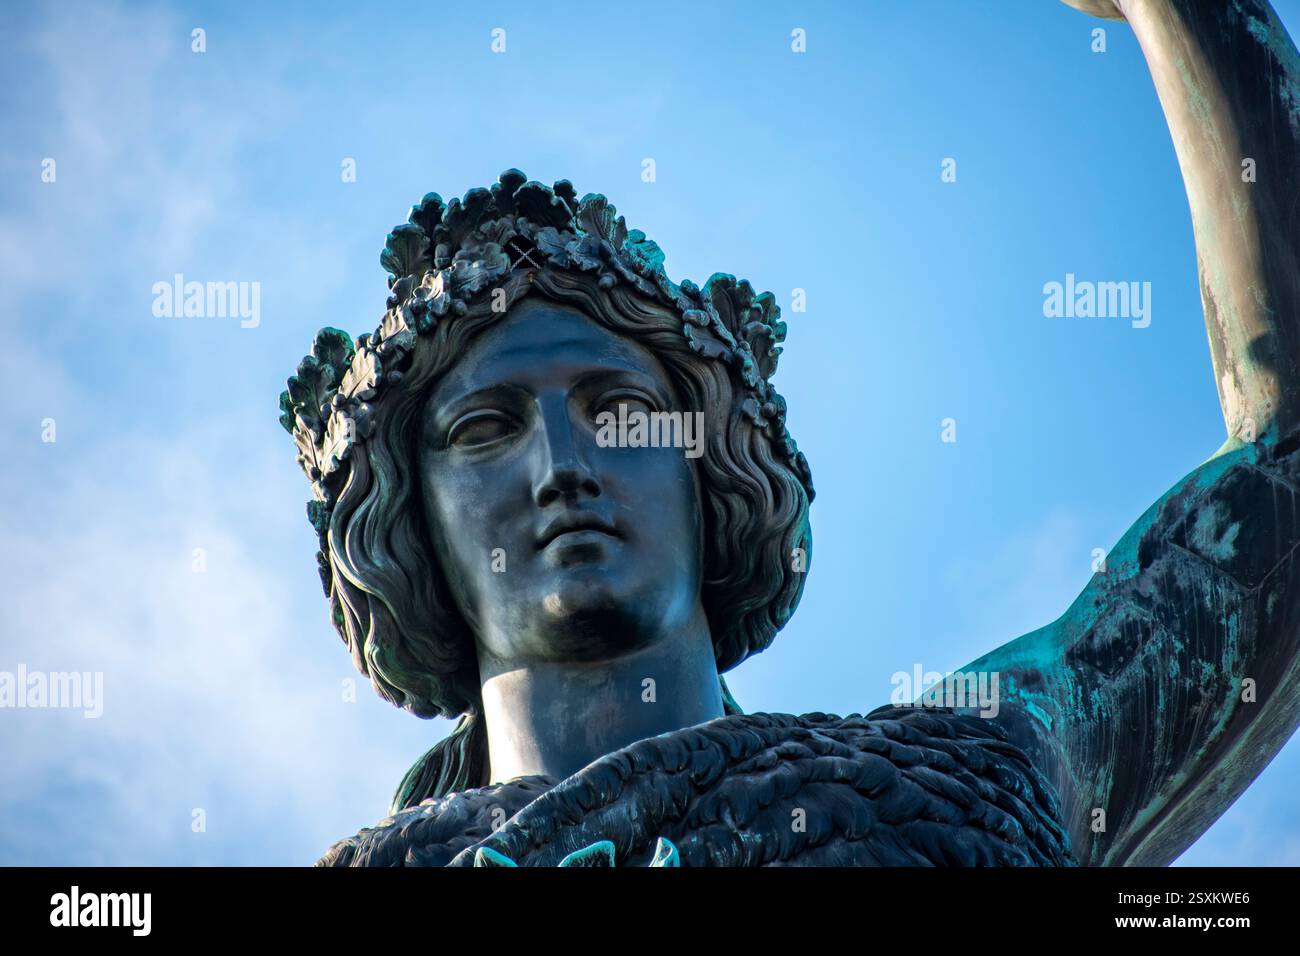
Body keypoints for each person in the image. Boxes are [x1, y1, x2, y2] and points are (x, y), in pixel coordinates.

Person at [280, 0, 1300, 865]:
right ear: (406, 525)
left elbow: (1285, 464)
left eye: (621, 413)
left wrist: (1191, 12)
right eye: (486, 429)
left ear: (713, 467)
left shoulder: (976, 764)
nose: (562, 467)